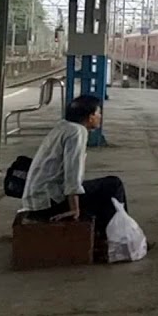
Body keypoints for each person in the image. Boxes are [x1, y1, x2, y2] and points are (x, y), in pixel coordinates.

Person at [21, 94, 129, 235]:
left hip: (37, 199)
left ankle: (103, 235)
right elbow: (72, 174)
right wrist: (74, 208)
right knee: (113, 185)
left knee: (100, 190)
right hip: (48, 202)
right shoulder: (77, 132)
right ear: (90, 117)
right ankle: (119, 237)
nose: (100, 117)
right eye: (98, 113)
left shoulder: (63, 126)